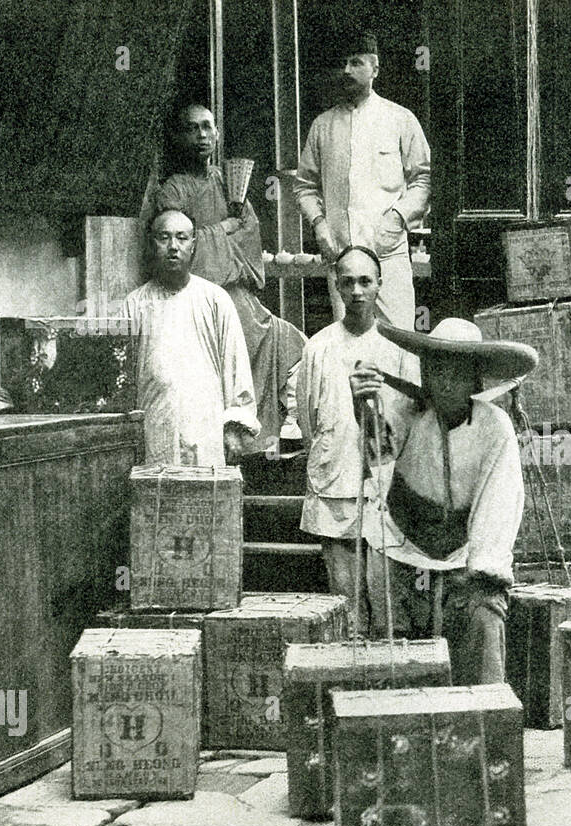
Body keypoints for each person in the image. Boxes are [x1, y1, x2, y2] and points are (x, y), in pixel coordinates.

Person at [350, 318, 535, 684]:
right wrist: (363, 408)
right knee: (395, 653)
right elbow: (378, 457)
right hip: (400, 543)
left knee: (483, 618)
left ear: (475, 380)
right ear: (425, 373)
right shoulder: (406, 411)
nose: (447, 383)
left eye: (458, 373)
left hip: (463, 553)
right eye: (437, 371)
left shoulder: (493, 426)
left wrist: (482, 571)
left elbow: (499, 501)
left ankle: (485, 716)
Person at [152, 104, 305, 453]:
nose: (202, 136)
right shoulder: (173, 190)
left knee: (289, 341)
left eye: (208, 127)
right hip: (201, 296)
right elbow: (181, 249)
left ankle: (281, 429)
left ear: (217, 133)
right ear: (179, 137)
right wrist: (224, 229)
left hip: (239, 294)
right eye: (192, 129)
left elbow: (250, 229)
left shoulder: (226, 182)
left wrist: (223, 234)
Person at [297, 244, 420, 628]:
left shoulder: (398, 346)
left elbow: (412, 422)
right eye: (347, 282)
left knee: (388, 608)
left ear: (380, 284)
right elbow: (307, 422)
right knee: (346, 608)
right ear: (335, 284)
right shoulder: (317, 347)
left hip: (386, 493)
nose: (356, 291)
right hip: (335, 487)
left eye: (365, 281)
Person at [294, 30, 431, 330]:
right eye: (343, 63)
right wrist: (319, 225)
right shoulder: (322, 126)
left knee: (399, 344)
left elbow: (422, 181)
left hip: (389, 256)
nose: (346, 70)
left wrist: (397, 218)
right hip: (341, 258)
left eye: (356, 62)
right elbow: (304, 187)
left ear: (375, 69)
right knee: (348, 348)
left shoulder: (400, 119)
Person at [125, 208, 259, 466]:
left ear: (194, 244)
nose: (173, 246)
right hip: (154, 431)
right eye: (163, 238)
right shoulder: (135, 304)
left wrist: (234, 425)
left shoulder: (215, 299)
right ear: (152, 243)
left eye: (181, 238)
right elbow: (125, 379)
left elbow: (236, 366)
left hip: (205, 431)